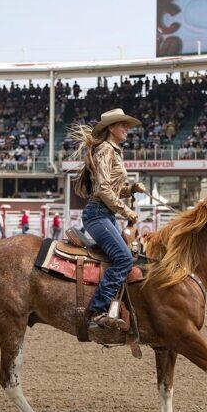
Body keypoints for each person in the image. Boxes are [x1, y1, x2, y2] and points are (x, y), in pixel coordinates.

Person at [70, 108, 145, 330]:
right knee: (123, 258)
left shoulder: (113, 150)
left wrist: (130, 189)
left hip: (105, 214)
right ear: (111, 128)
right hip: (98, 214)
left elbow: (111, 187)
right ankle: (97, 311)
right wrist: (126, 211)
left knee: (125, 254)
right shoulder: (104, 150)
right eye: (123, 125)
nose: (127, 130)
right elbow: (102, 189)